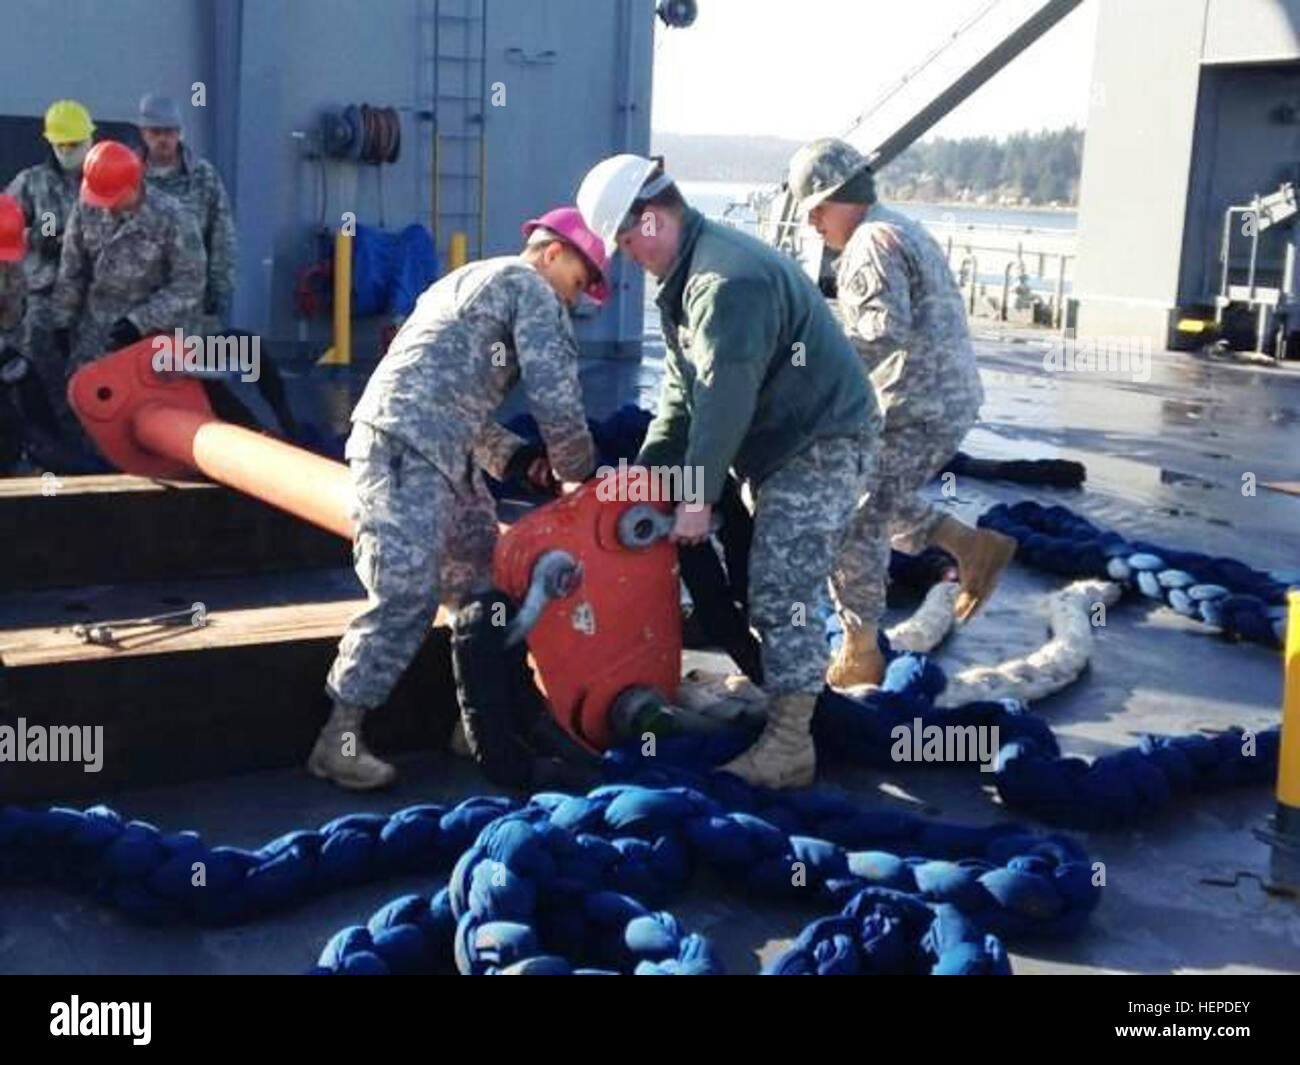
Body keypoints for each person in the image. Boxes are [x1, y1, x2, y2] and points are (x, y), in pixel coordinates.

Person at [577, 154, 881, 789]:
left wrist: (694, 498)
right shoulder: (689, 279)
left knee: (780, 587)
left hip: (820, 443)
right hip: (781, 447)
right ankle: (781, 689)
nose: (627, 256)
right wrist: (642, 484)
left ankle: (791, 744)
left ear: (653, 219)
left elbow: (724, 399)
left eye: (628, 241)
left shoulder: (723, 283)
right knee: (758, 574)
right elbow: (681, 399)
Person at [312, 207, 606, 790]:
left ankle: (476, 722)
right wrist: (581, 477)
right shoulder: (530, 288)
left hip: (439, 449)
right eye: (577, 283)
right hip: (406, 449)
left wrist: (517, 460)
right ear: (552, 254)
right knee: (406, 592)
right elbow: (556, 395)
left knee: (478, 587)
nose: (574, 300)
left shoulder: (470, 279)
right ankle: (337, 740)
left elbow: (451, 397)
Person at [787, 137, 1017, 687]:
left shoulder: (869, 241)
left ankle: (860, 650)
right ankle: (969, 544)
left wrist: (805, 378)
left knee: (852, 514)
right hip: (939, 401)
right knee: (877, 495)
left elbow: (878, 332)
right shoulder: (900, 226)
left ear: (841, 197)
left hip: (911, 404)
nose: (815, 223)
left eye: (818, 209)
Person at [51, 141, 206, 373]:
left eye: (111, 198)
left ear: (132, 187)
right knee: (86, 400)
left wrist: (140, 321)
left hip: (152, 342)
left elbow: (189, 284)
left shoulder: (174, 218)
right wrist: (62, 319)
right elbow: (72, 270)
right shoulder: (87, 207)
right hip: (95, 338)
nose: (106, 207)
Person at [5, 100, 94, 422]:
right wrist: (41, 236)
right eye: (62, 145)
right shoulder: (32, 182)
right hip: (45, 297)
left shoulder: (104, 180)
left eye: (76, 144)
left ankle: (91, 446)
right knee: (42, 378)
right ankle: (45, 444)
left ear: (90, 140)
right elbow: (6, 228)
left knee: (91, 379)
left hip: (94, 299)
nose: (69, 151)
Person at [137, 93, 236, 334]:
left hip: (189, 301)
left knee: (187, 368)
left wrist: (219, 288)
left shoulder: (203, 176)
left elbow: (222, 234)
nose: (163, 139)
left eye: (169, 132)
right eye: (155, 132)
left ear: (180, 132)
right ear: (143, 133)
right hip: (138, 302)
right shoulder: (130, 173)